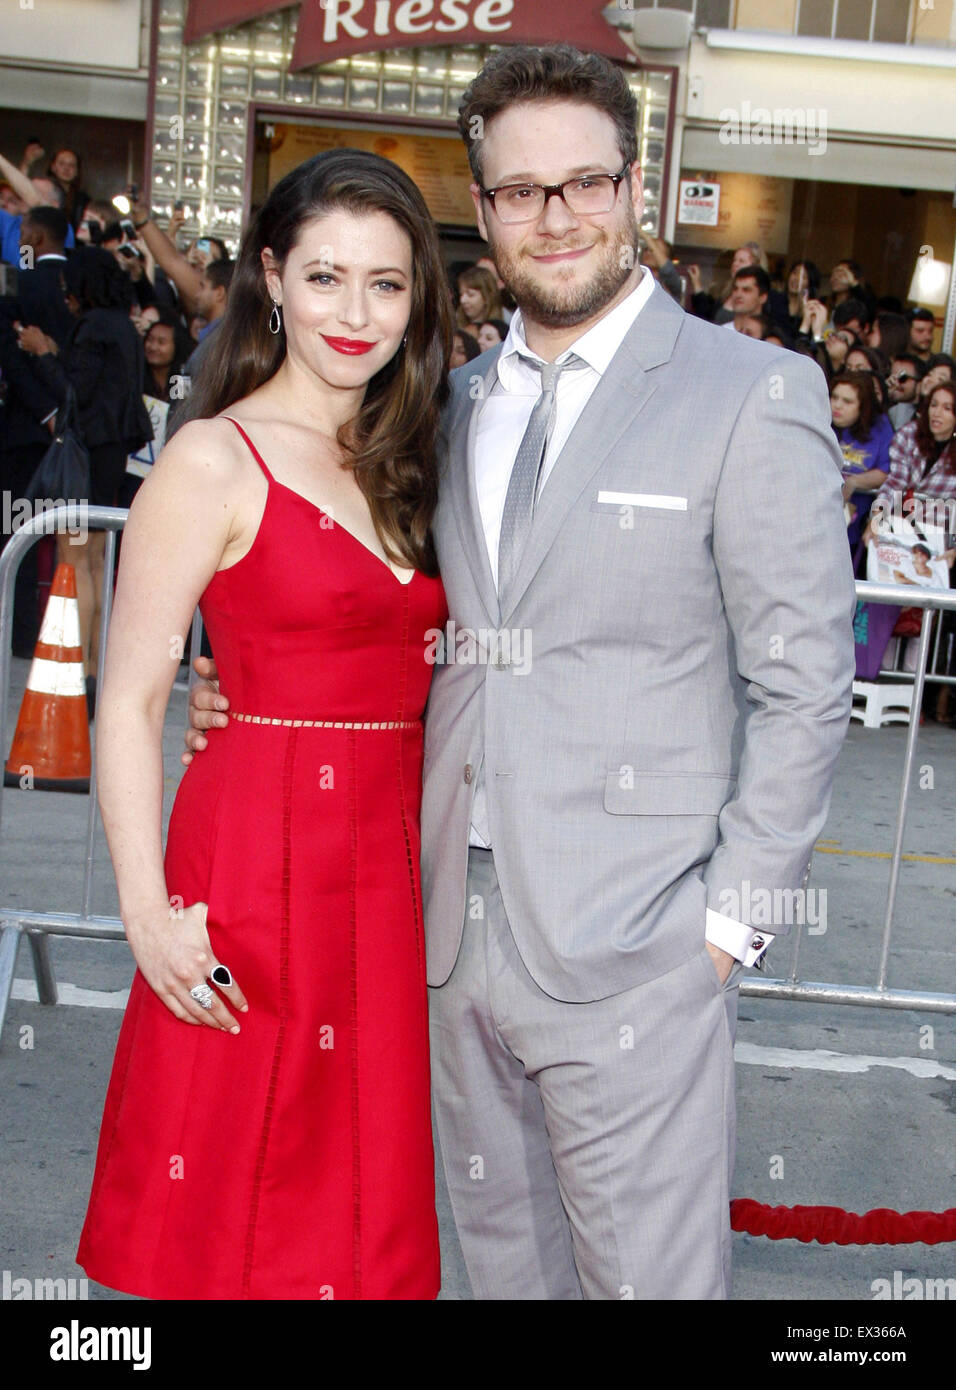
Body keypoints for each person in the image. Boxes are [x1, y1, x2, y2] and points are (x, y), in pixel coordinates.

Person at [185, 43, 858, 1302]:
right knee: (499, 1280)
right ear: (483, 214)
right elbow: (374, 610)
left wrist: (725, 926)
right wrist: (240, 691)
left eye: (582, 184)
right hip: (444, 934)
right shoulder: (440, 405)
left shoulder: (748, 391)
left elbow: (804, 680)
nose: (554, 218)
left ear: (630, 193)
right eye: (517, 192)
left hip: (640, 943)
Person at [75, 147, 454, 1301]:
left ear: (416, 300)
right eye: (325, 276)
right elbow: (131, 700)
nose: (354, 312)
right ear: (272, 279)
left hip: (383, 874)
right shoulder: (210, 457)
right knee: (224, 1193)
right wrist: (149, 914)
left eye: (385, 284)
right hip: (249, 865)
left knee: (352, 1205)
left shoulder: (417, 454)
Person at [17, 246, 152, 714]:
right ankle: (92, 670)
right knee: (95, 559)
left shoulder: (93, 326)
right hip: (111, 453)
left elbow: (75, 391)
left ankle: (78, 672)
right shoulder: (123, 327)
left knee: (76, 559)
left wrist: (43, 354)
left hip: (87, 452)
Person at [830, 372, 892, 553]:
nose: (837, 405)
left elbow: (885, 471)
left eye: (847, 401)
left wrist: (855, 482)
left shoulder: (880, 427)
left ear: (862, 407)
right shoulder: (821, 420)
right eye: (834, 397)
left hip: (855, 522)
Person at [457, 264, 502, 335]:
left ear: (487, 297)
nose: (463, 300)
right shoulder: (455, 324)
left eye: (470, 295)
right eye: (461, 294)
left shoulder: (503, 328)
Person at [723, 264, 770, 331]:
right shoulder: (720, 332)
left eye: (746, 290)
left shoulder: (771, 339)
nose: (738, 294)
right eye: (735, 289)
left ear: (762, 297)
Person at [887, 352, 926, 430]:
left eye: (902, 379)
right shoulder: (882, 408)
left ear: (919, 385)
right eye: (892, 377)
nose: (895, 383)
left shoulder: (924, 417)